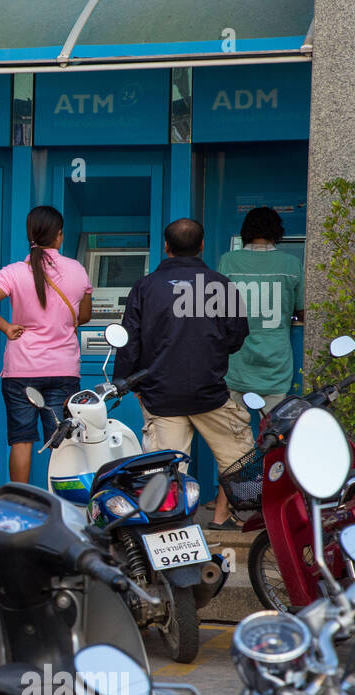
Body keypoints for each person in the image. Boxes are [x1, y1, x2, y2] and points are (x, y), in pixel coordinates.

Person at [114, 218, 251, 530]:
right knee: (236, 458)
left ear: (166, 247)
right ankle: (221, 517)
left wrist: (125, 383)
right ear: (201, 246)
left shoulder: (146, 287)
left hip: (160, 395)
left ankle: (175, 525)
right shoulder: (220, 285)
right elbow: (237, 336)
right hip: (209, 393)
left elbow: (129, 341)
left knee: (164, 470)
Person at [0, 206, 93, 483]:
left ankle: (21, 504)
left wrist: (6, 327)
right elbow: (86, 316)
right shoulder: (77, 270)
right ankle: (66, 505)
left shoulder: (14, 272)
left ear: (30, 235)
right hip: (63, 369)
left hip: (21, 370)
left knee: (21, 441)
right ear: (59, 236)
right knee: (64, 441)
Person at [217, 207, 305, 414]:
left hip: (237, 363)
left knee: (235, 433)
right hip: (276, 363)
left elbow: (218, 309)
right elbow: (303, 312)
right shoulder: (291, 263)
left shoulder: (228, 261)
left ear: (246, 231)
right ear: (277, 232)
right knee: (275, 431)